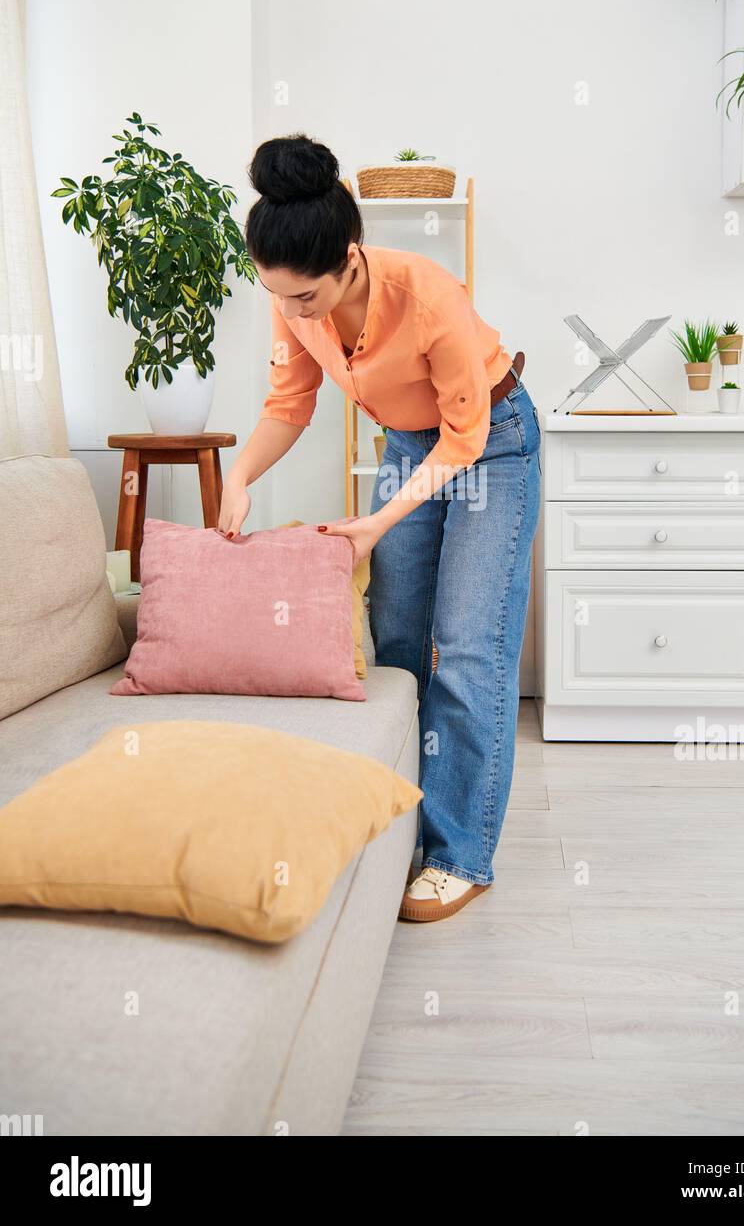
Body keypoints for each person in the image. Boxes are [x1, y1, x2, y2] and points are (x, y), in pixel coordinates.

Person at [219, 134, 540, 921]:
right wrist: (237, 476)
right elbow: (289, 405)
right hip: (409, 443)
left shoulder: (427, 295)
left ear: (349, 261)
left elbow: (463, 439)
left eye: (303, 299)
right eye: (277, 296)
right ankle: (400, 826)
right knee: (394, 640)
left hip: (491, 441)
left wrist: (374, 524)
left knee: (467, 645)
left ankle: (461, 853)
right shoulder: (292, 299)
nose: (291, 313)